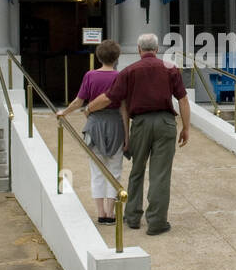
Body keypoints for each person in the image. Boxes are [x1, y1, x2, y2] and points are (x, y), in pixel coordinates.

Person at [85, 32, 190, 235]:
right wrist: (186, 127)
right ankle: (157, 222)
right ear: (157, 49)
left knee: (137, 170)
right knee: (160, 174)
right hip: (165, 123)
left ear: (139, 50)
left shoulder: (129, 71)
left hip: (140, 123)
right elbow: (183, 100)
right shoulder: (170, 68)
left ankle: (132, 217)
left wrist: (89, 108)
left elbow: (109, 97)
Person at [56, 40, 124, 225]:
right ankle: (111, 212)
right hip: (116, 123)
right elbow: (124, 105)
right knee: (114, 170)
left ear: (99, 57)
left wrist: (64, 112)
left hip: (94, 123)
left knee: (97, 170)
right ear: (117, 57)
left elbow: (79, 101)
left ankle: (101, 213)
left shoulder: (90, 76)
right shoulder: (120, 77)